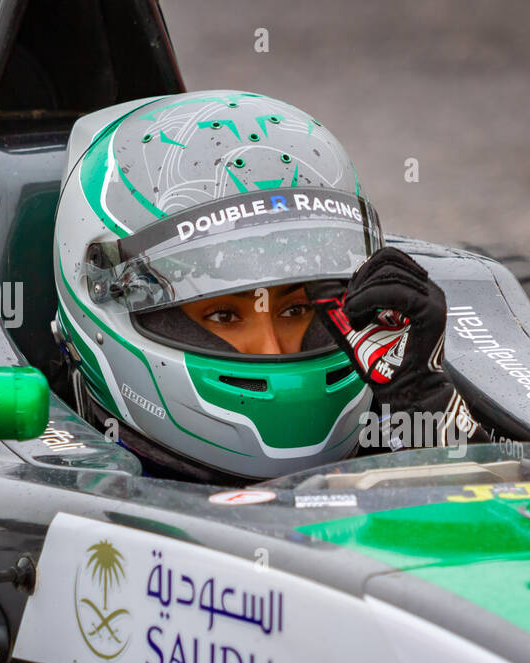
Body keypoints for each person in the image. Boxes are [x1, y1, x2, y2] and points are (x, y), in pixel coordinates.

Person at [52, 90, 480, 483]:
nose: (274, 350)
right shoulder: (16, 482)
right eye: (224, 314)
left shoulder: (401, 399)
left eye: (295, 311)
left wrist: (429, 417)